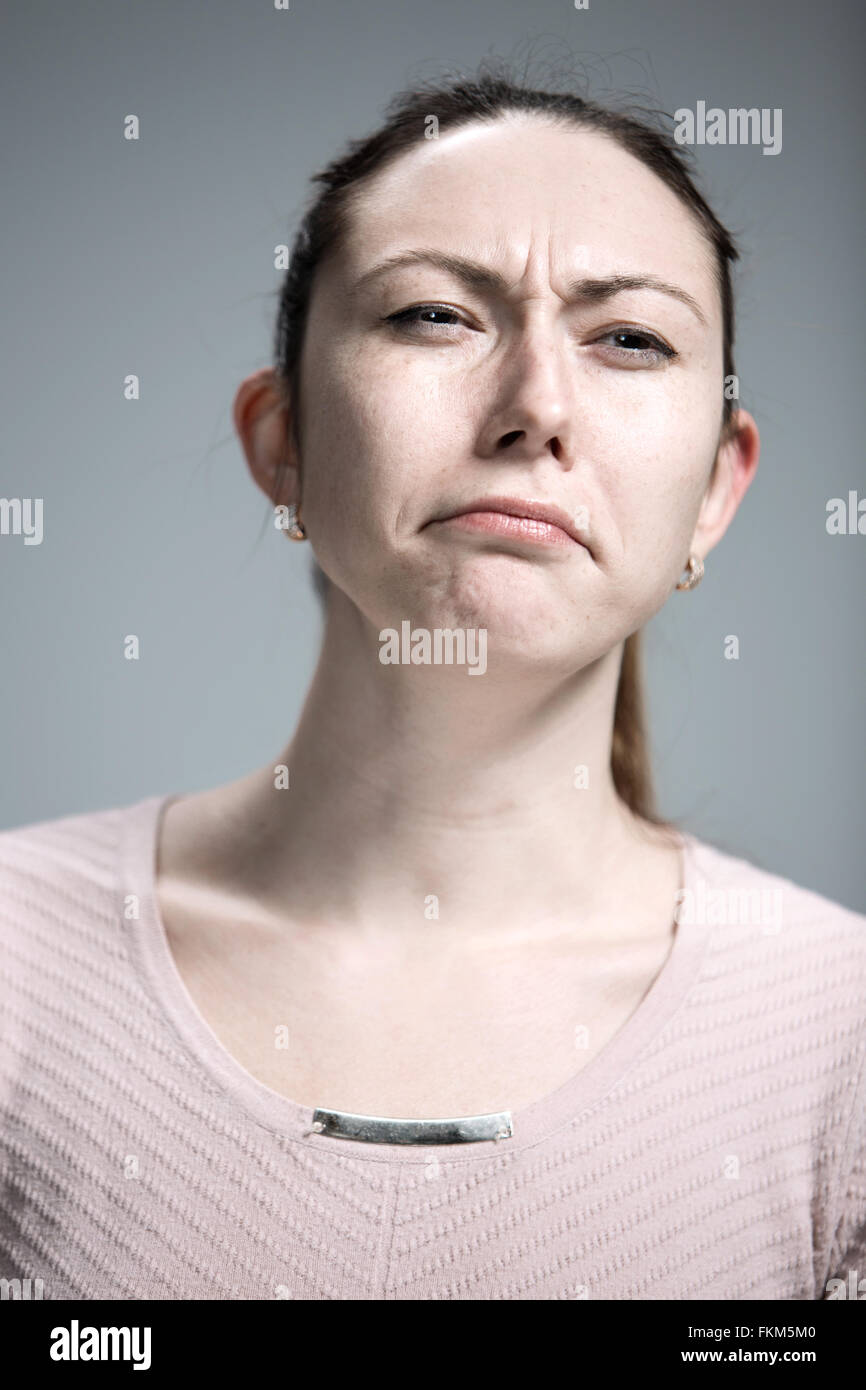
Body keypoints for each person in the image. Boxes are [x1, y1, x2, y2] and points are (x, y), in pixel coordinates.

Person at [1, 64, 864, 1301]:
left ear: (716, 492)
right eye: (432, 316)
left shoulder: (841, 1050)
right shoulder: (13, 965)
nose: (535, 408)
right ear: (280, 440)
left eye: (628, 337)